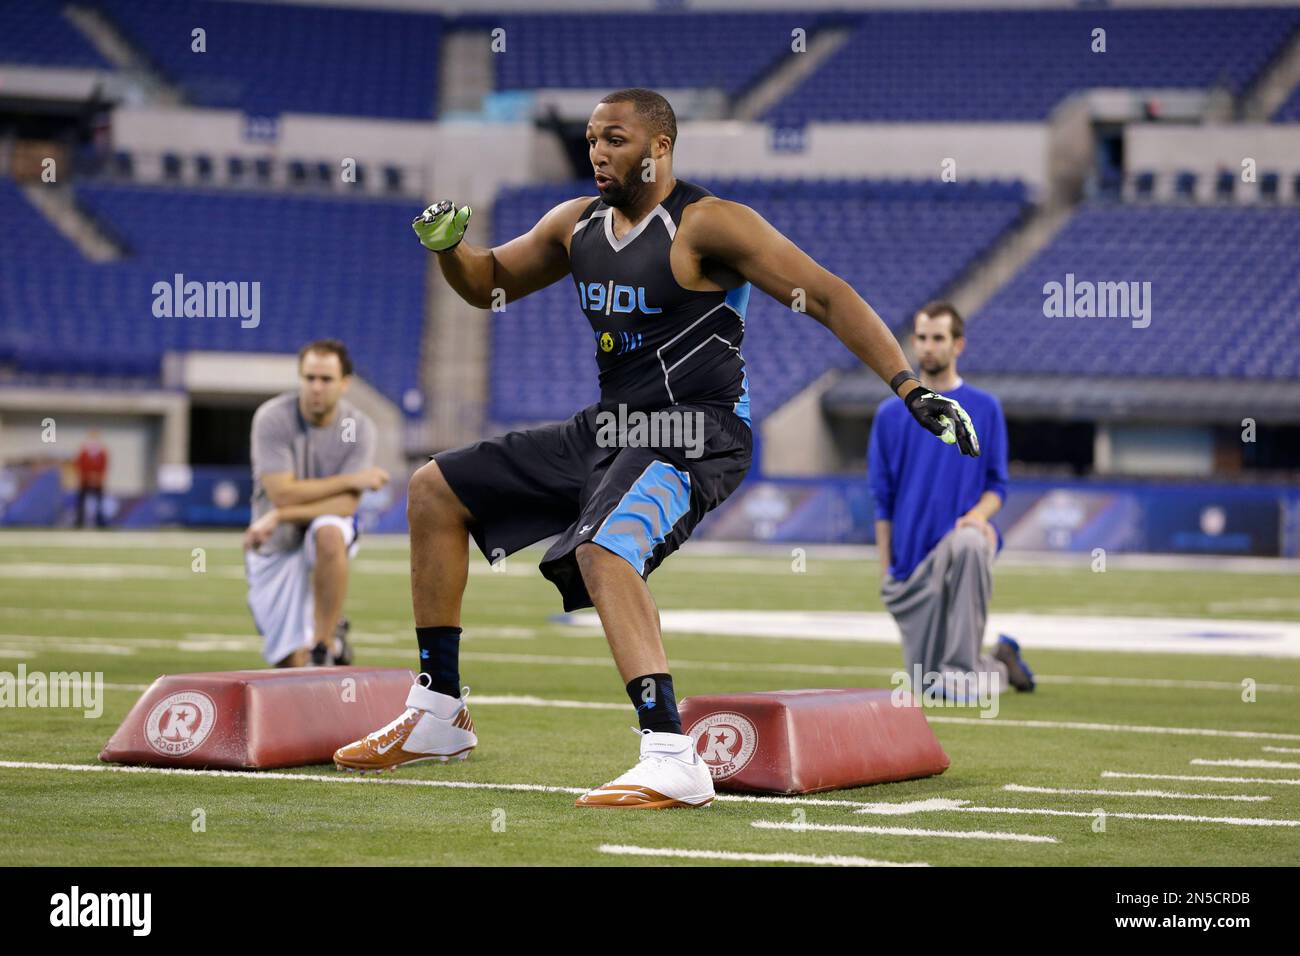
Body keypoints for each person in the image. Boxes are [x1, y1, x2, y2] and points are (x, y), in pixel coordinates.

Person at [333, 89, 979, 810]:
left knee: (605, 547)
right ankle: (439, 712)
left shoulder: (709, 224)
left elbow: (826, 295)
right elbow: (488, 287)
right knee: (434, 490)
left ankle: (672, 754)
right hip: (612, 428)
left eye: (614, 138)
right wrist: (451, 249)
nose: (598, 153)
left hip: (697, 432)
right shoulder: (572, 225)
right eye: (590, 140)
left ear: (660, 147)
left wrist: (909, 387)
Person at [870, 301, 1034, 702]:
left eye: (938, 338)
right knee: (925, 684)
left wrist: (976, 517)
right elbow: (882, 500)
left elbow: (998, 486)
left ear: (958, 345)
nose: (928, 347)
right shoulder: (889, 415)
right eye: (922, 338)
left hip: (960, 545)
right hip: (912, 563)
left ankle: (962, 672)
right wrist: (887, 572)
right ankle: (998, 662)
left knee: (971, 541)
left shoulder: (986, 408)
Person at [243, 340, 389, 668]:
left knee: (328, 533)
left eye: (325, 379)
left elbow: (345, 508)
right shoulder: (272, 418)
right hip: (274, 540)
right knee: (287, 664)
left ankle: (324, 643)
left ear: (345, 383)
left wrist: (280, 514)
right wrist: (352, 479)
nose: (316, 387)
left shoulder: (359, 427)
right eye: (309, 378)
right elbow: (282, 492)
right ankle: (327, 635)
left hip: (303, 525)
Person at [73, 431, 108, 528]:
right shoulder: (84, 452)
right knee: (81, 502)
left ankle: (100, 522)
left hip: (97, 482)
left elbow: (104, 466)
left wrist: (97, 477)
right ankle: (79, 522)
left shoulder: (102, 452)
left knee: (99, 503)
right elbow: (79, 465)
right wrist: (87, 477)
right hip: (85, 481)